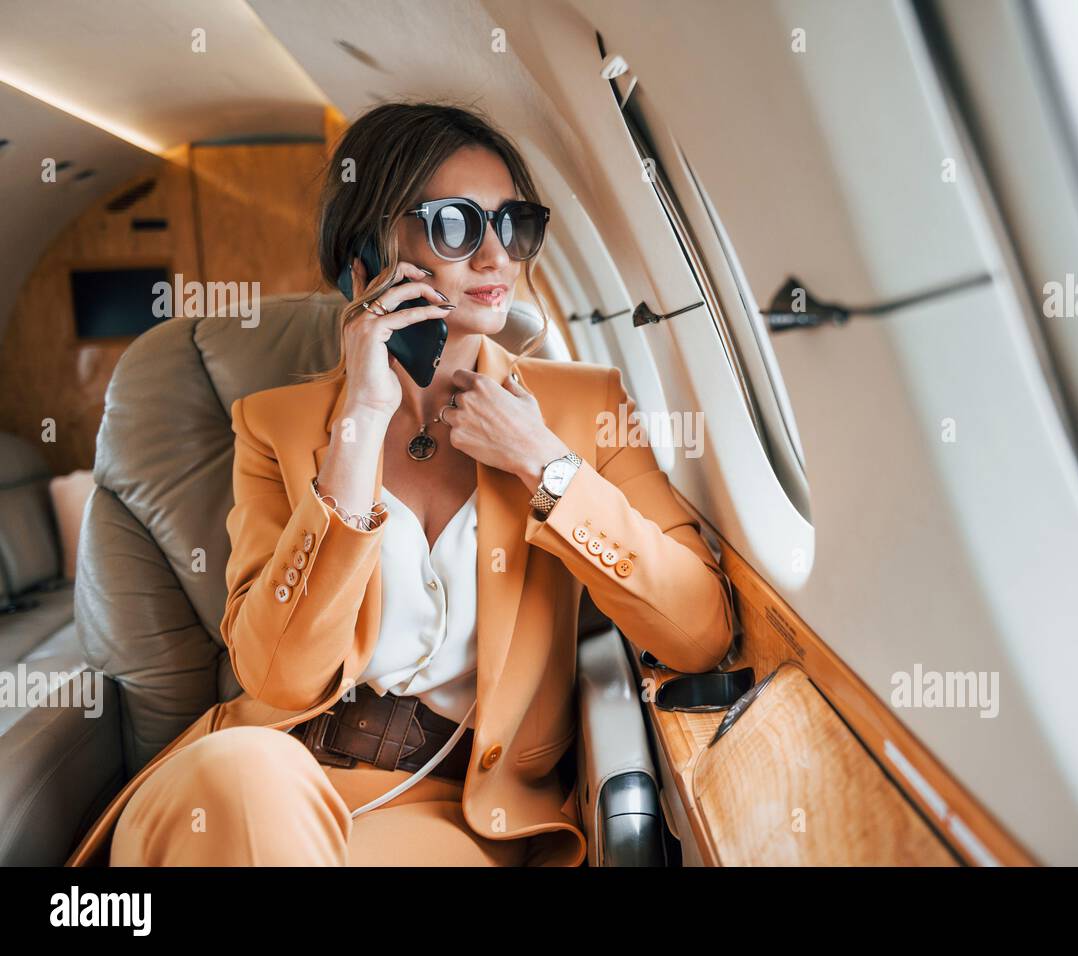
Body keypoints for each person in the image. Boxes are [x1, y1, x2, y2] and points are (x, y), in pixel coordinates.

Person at [95, 101, 736, 867]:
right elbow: (278, 675)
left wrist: (545, 467)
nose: (498, 255)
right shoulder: (274, 425)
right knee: (242, 775)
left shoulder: (582, 407)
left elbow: (701, 633)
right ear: (366, 253)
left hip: (450, 815)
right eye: (457, 225)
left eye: (515, 223)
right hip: (252, 782)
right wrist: (360, 425)